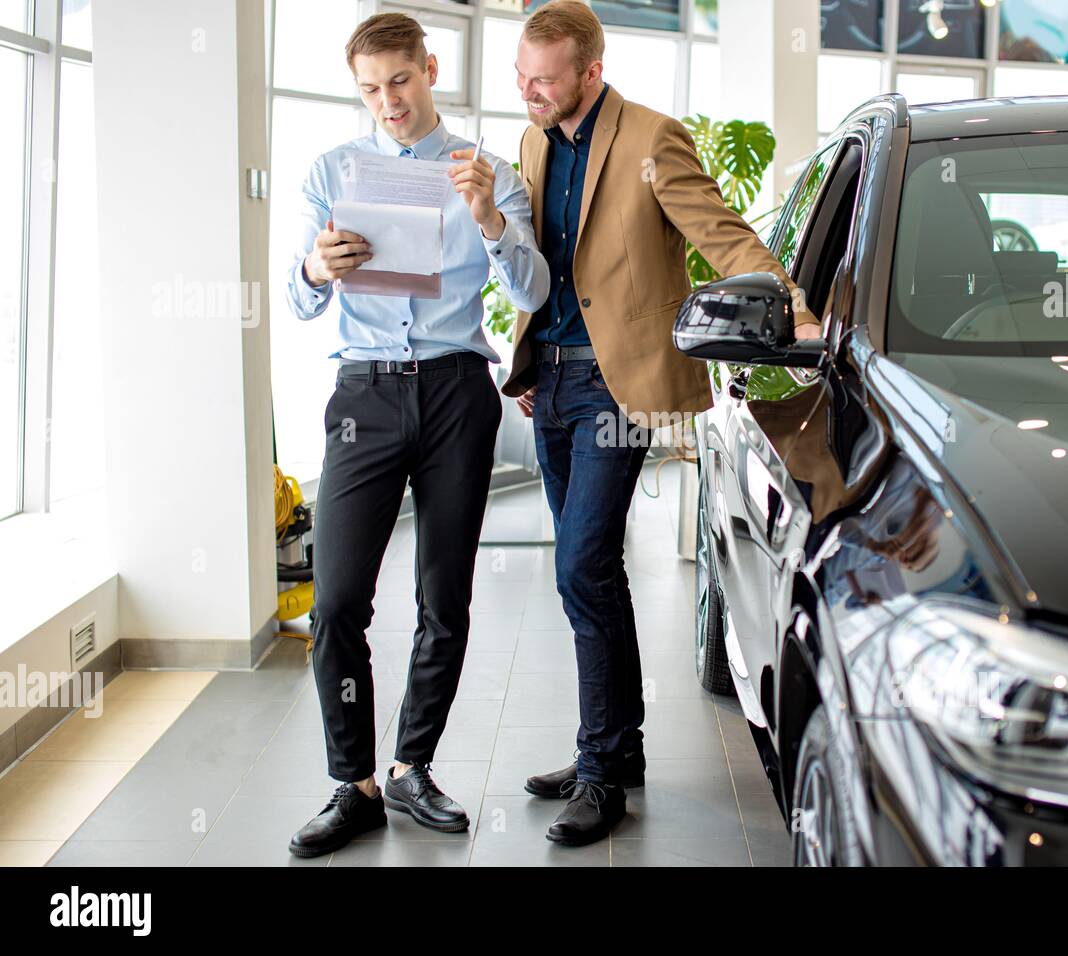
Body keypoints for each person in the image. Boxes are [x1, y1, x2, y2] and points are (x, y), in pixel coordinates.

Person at [502, 0, 820, 846]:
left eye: (545, 79)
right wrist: (527, 354)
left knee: (580, 565)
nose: (529, 92)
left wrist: (792, 307)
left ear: (590, 71)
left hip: (619, 385)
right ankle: (614, 747)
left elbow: (725, 235)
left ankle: (603, 770)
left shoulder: (652, 139)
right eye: (522, 77)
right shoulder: (533, 141)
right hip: (554, 382)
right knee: (591, 576)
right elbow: (538, 263)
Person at [285, 12, 548, 858]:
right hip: (363, 393)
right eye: (369, 88)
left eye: (400, 81)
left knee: (445, 597)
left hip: (455, 392)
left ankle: (411, 766)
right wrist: (314, 269)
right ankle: (351, 782)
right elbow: (297, 300)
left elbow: (535, 290)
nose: (388, 103)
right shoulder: (332, 171)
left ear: (429, 68)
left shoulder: (487, 169)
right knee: (335, 603)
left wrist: (490, 222)